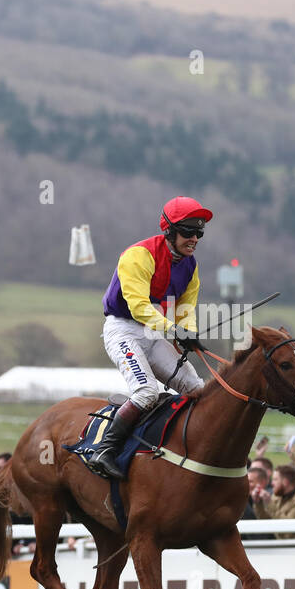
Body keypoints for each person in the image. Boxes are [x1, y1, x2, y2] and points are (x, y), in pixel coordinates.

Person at [86, 196, 211, 479]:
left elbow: (185, 308)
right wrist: (175, 331)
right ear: (169, 230)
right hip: (123, 330)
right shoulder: (139, 255)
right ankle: (104, 450)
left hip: (154, 335)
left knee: (197, 390)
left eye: (199, 233)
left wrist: (187, 333)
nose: (195, 239)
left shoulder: (190, 266)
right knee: (146, 392)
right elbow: (139, 307)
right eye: (189, 231)